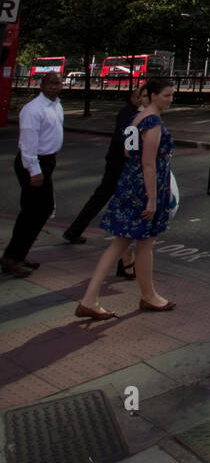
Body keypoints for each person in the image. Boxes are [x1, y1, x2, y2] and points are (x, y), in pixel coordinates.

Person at [74, 77, 177, 320]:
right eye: (166, 95)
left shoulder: (135, 118)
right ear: (152, 95)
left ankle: (92, 299)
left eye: (172, 95)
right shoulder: (153, 123)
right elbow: (148, 164)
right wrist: (152, 198)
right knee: (144, 243)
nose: (170, 99)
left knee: (121, 243)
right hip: (144, 188)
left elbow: (127, 151)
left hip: (129, 184)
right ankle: (148, 296)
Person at [62, 83, 147, 279]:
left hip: (121, 164)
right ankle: (125, 261)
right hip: (120, 166)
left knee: (105, 199)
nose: (140, 99)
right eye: (138, 95)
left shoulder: (135, 114)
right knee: (116, 205)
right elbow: (127, 143)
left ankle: (76, 231)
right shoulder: (129, 113)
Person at [2, 71, 64, 276]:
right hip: (33, 163)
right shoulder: (33, 109)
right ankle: (12, 257)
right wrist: (34, 171)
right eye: (51, 83)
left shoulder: (56, 105)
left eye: (58, 83)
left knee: (39, 210)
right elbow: (28, 143)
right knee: (33, 211)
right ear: (42, 85)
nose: (55, 86)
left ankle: (18, 254)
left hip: (47, 161)